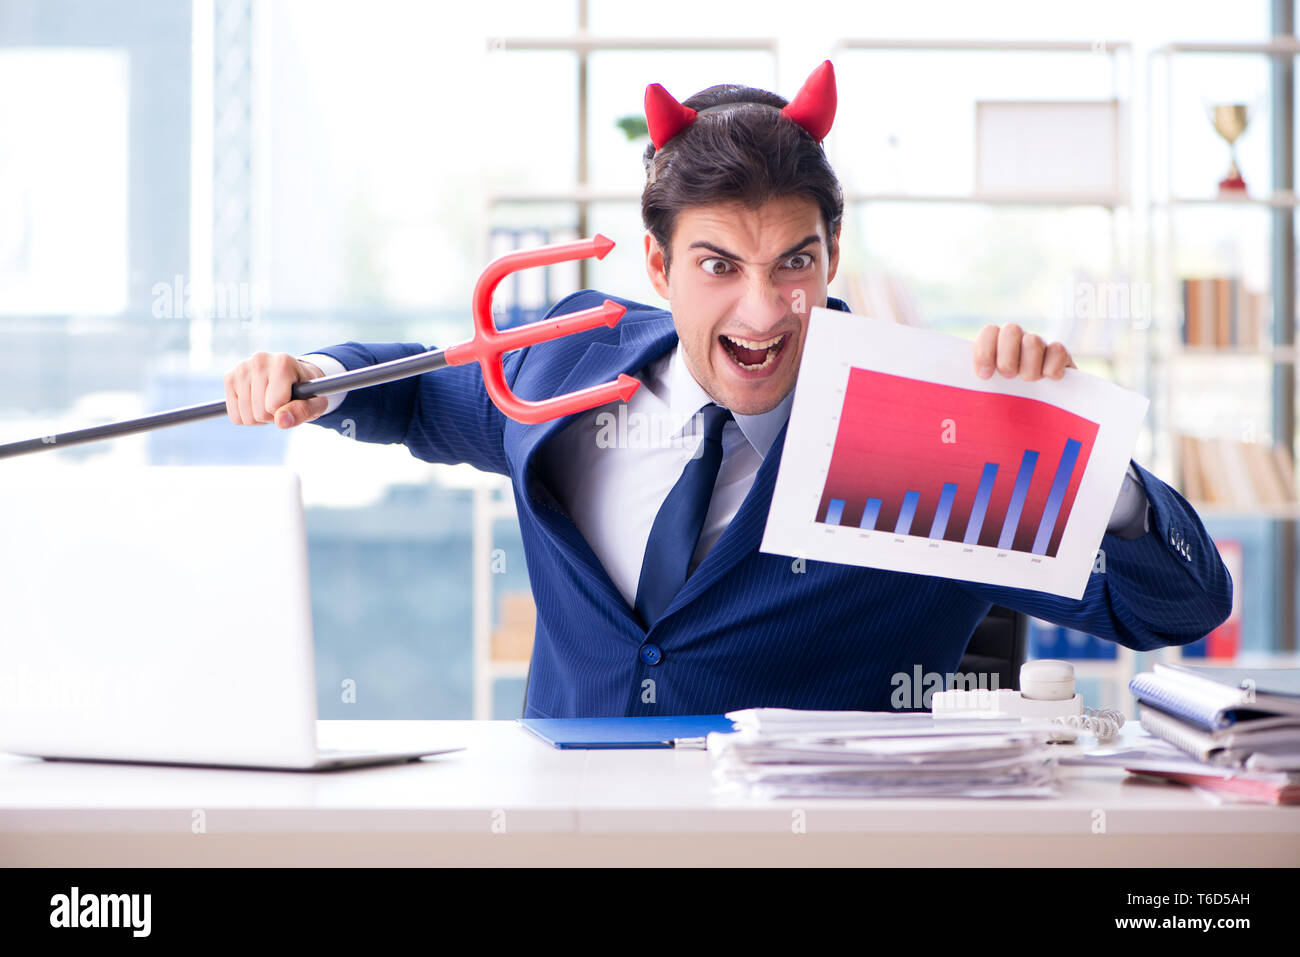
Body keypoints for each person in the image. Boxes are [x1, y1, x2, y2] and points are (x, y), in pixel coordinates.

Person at [224, 62, 1232, 719]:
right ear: (657, 269)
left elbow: (1172, 605)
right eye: (719, 267)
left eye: (794, 262)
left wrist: (1080, 462)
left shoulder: (934, 438)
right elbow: (409, 394)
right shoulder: (563, 363)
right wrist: (315, 377)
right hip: (557, 841)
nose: (763, 311)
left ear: (835, 255)